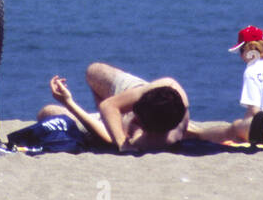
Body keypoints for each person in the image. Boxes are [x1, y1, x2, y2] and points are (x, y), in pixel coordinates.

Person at [38, 62, 191, 153]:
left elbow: (109, 137)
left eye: (137, 118)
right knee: (94, 70)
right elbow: (109, 105)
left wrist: (68, 102)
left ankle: (105, 118)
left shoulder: (148, 142)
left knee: (48, 113)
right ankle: (112, 112)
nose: (133, 115)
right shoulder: (171, 88)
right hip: (138, 95)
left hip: (112, 129)